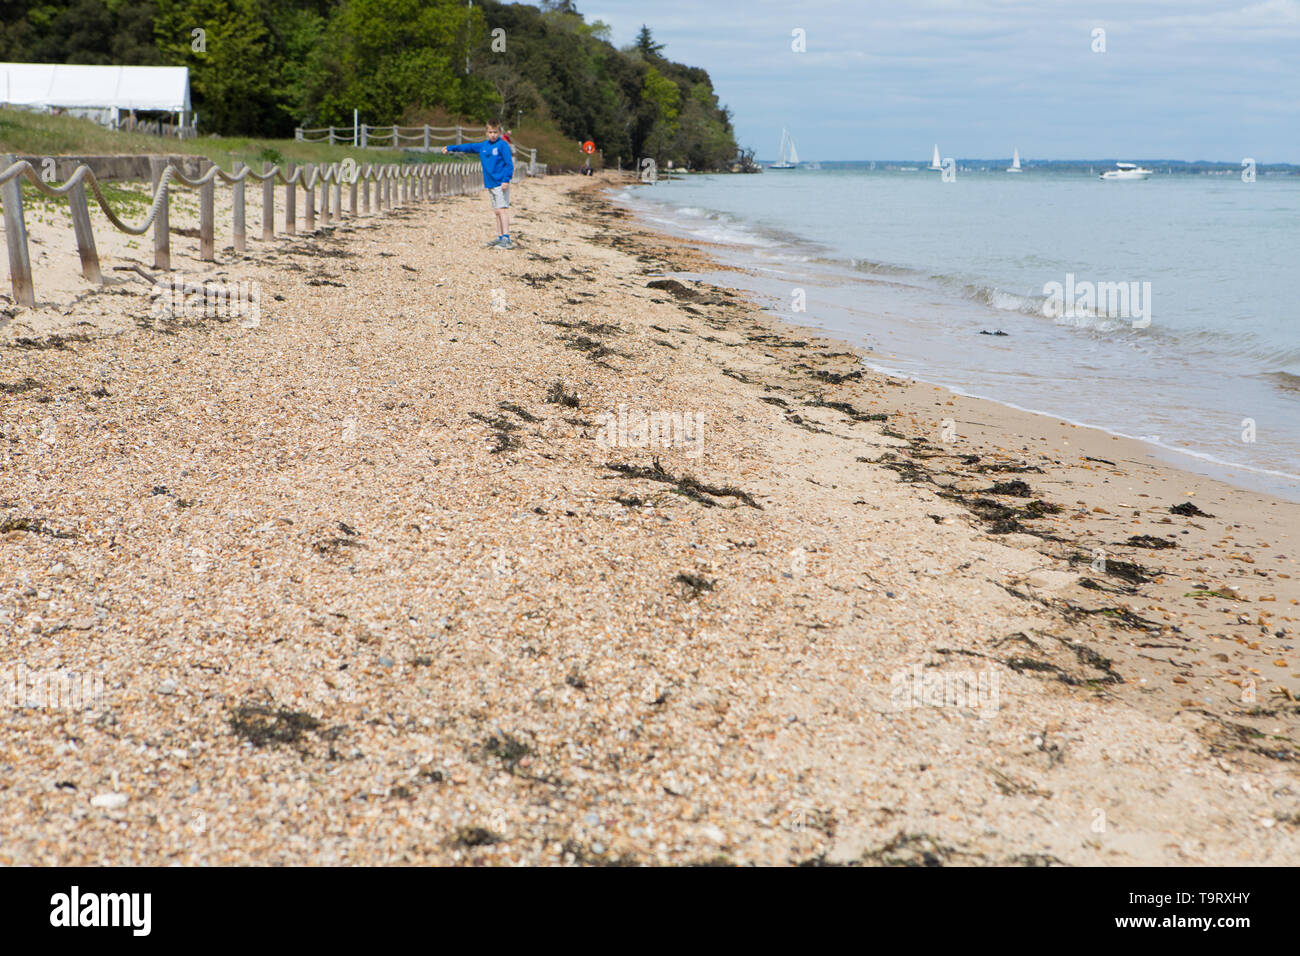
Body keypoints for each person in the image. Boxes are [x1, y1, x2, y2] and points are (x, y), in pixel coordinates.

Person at [442, 120, 515, 249]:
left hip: (500, 182)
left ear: (499, 133)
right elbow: (468, 147)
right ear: (486, 133)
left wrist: (506, 180)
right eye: (490, 132)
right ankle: (500, 237)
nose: (493, 135)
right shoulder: (484, 146)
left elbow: (509, 164)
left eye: (495, 132)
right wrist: (450, 148)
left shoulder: (502, 145)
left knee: (502, 210)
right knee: (497, 211)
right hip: (490, 183)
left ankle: (507, 238)